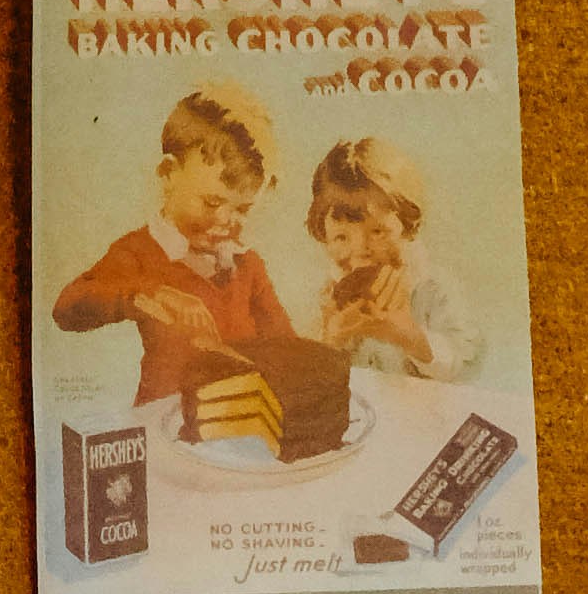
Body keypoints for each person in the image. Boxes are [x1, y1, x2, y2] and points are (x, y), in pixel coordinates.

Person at [51, 86, 292, 406]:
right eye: (212, 202)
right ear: (168, 174)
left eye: (242, 209)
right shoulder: (139, 252)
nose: (226, 221)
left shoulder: (246, 264)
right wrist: (147, 294)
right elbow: (67, 308)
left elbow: (286, 345)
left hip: (241, 420)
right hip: (167, 423)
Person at [306, 135, 481, 381]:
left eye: (377, 232)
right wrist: (331, 341)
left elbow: (465, 361)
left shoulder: (431, 288)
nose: (360, 251)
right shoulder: (329, 300)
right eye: (341, 238)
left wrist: (410, 337)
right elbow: (316, 384)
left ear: (407, 227)